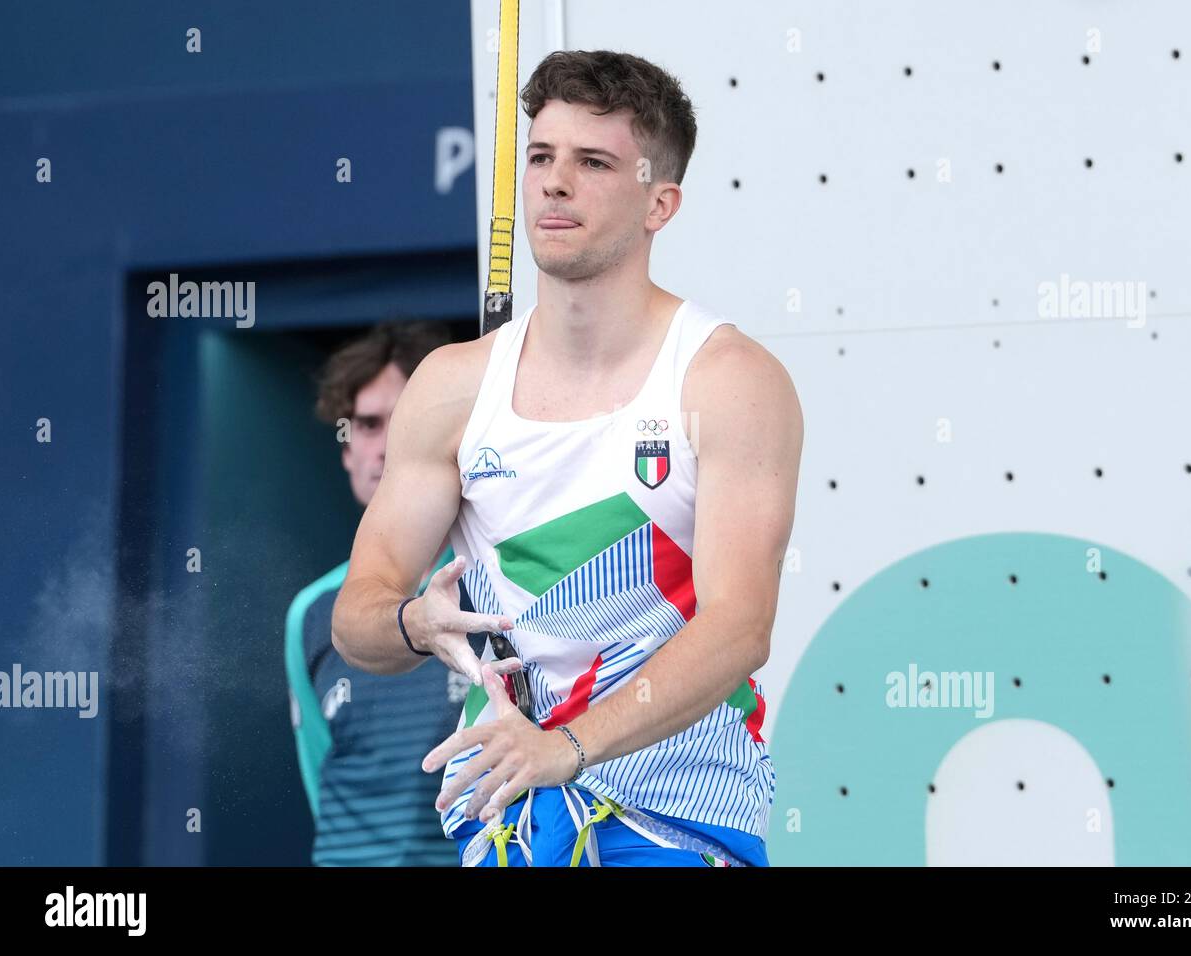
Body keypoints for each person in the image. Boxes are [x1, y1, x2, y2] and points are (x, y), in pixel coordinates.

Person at [332, 50, 803, 867]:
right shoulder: (453, 386)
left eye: (593, 162)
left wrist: (571, 747)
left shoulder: (729, 380)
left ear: (661, 202)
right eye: (542, 157)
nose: (554, 182)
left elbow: (741, 627)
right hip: (512, 818)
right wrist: (412, 622)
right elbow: (357, 616)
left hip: (678, 815)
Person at [285, 320, 470, 866]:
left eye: (407, 420)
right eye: (367, 424)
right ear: (344, 448)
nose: (388, 445)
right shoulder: (312, 612)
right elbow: (321, 768)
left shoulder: (497, 579)